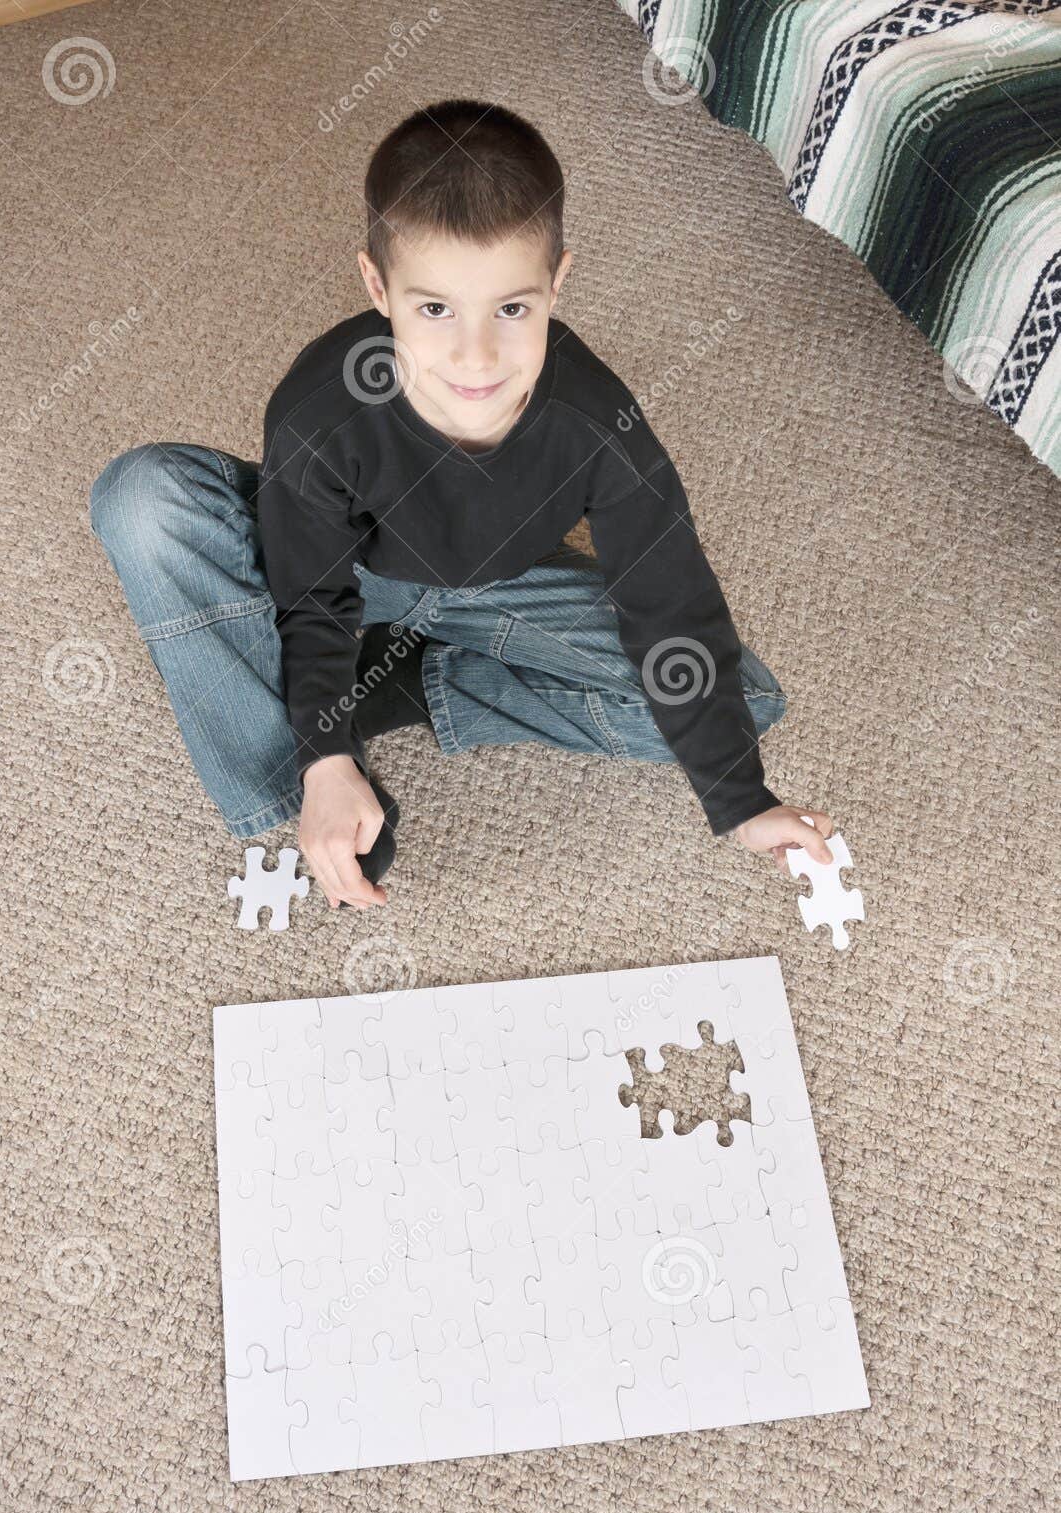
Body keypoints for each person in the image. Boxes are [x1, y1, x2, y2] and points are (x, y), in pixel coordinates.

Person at [90, 99, 834, 911]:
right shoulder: (322, 410)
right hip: (351, 570)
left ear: (556, 283)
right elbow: (313, 595)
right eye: (434, 308)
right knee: (143, 499)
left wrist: (741, 801)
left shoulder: (597, 422)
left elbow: (668, 598)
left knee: (740, 705)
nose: (474, 356)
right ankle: (311, 774)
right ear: (379, 287)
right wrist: (326, 755)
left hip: (494, 584)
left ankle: (403, 682)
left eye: (511, 309)